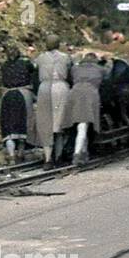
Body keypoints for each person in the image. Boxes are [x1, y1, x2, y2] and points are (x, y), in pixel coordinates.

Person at [33, 34, 72, 166]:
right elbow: (70, 73)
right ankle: (59, 156)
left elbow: (33, 74)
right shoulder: (65, 57)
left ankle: (48, 159)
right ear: (58, 44)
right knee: (60, 123)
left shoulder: (40, 58)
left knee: (45, 124)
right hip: (61, 87)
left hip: (44, 88)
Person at [67, 52, 106, 164]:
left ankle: (84, 153)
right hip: (89, 95)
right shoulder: (100, 69)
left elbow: (71, 72)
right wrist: (106, 60)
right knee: (83, 125)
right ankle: (77, 154)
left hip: (73, 94)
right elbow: (108, 74)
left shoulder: (76, 68)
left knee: (81, 125)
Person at [0, 50, 37, 163]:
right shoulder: (25, 63)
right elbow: (34, 71)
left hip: (7, 96)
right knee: (23, 124)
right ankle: (21, 153)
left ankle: (11, 156)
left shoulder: (4, 66)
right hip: (23, 94)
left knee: (8, 127)